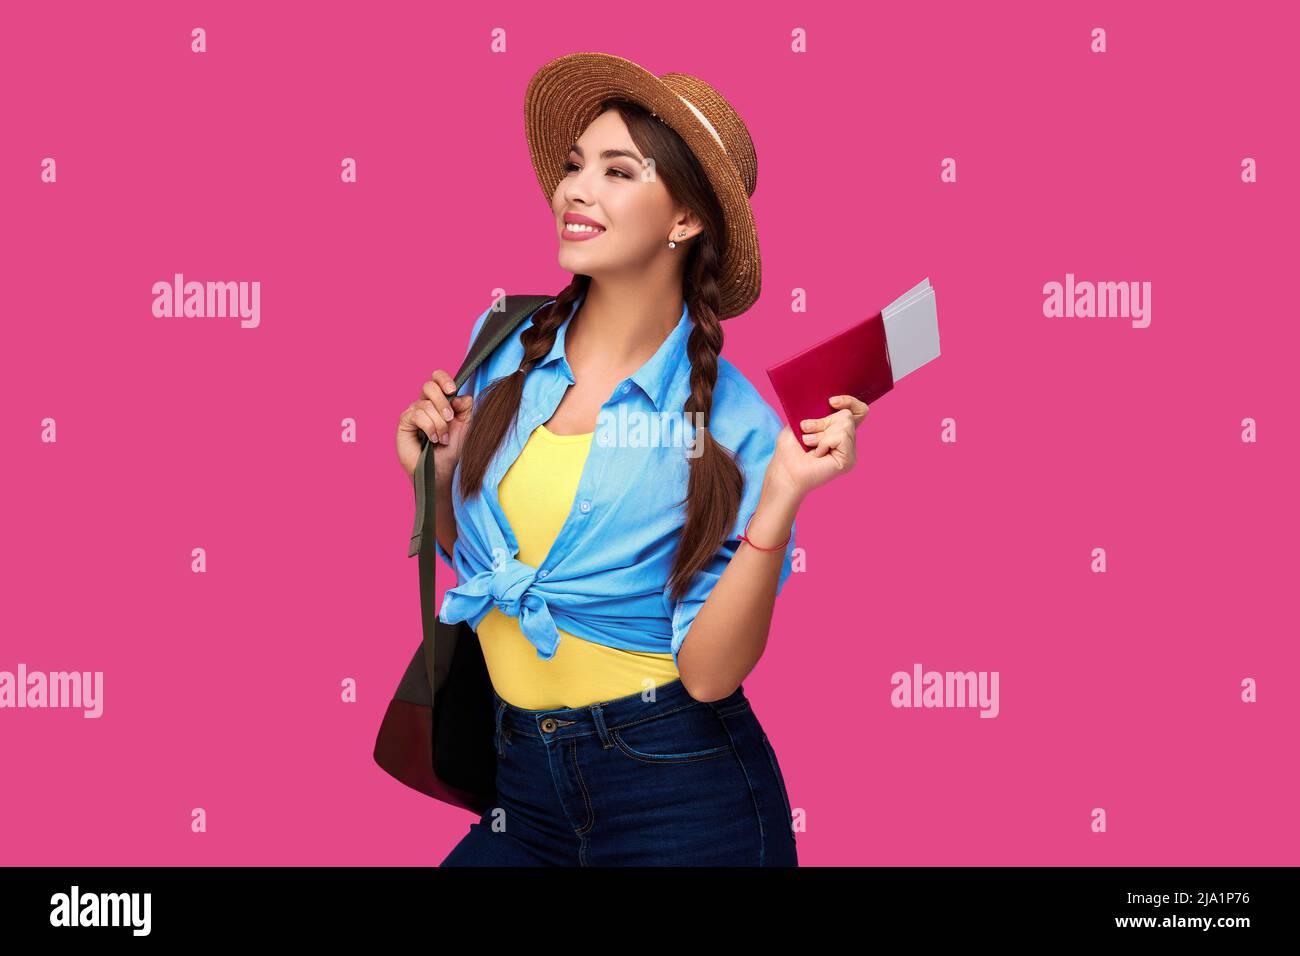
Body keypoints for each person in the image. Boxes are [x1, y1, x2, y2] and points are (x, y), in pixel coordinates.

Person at [394, 53, 868, 866]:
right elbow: (492, 573)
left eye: (618, 172)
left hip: (680, 797)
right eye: (575, 165)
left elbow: (712, 675)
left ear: (686, 220)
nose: (575, 190)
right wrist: (432, 483)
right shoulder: (501, 343)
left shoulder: (742, 427)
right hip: (522, 789)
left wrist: (783, 496)